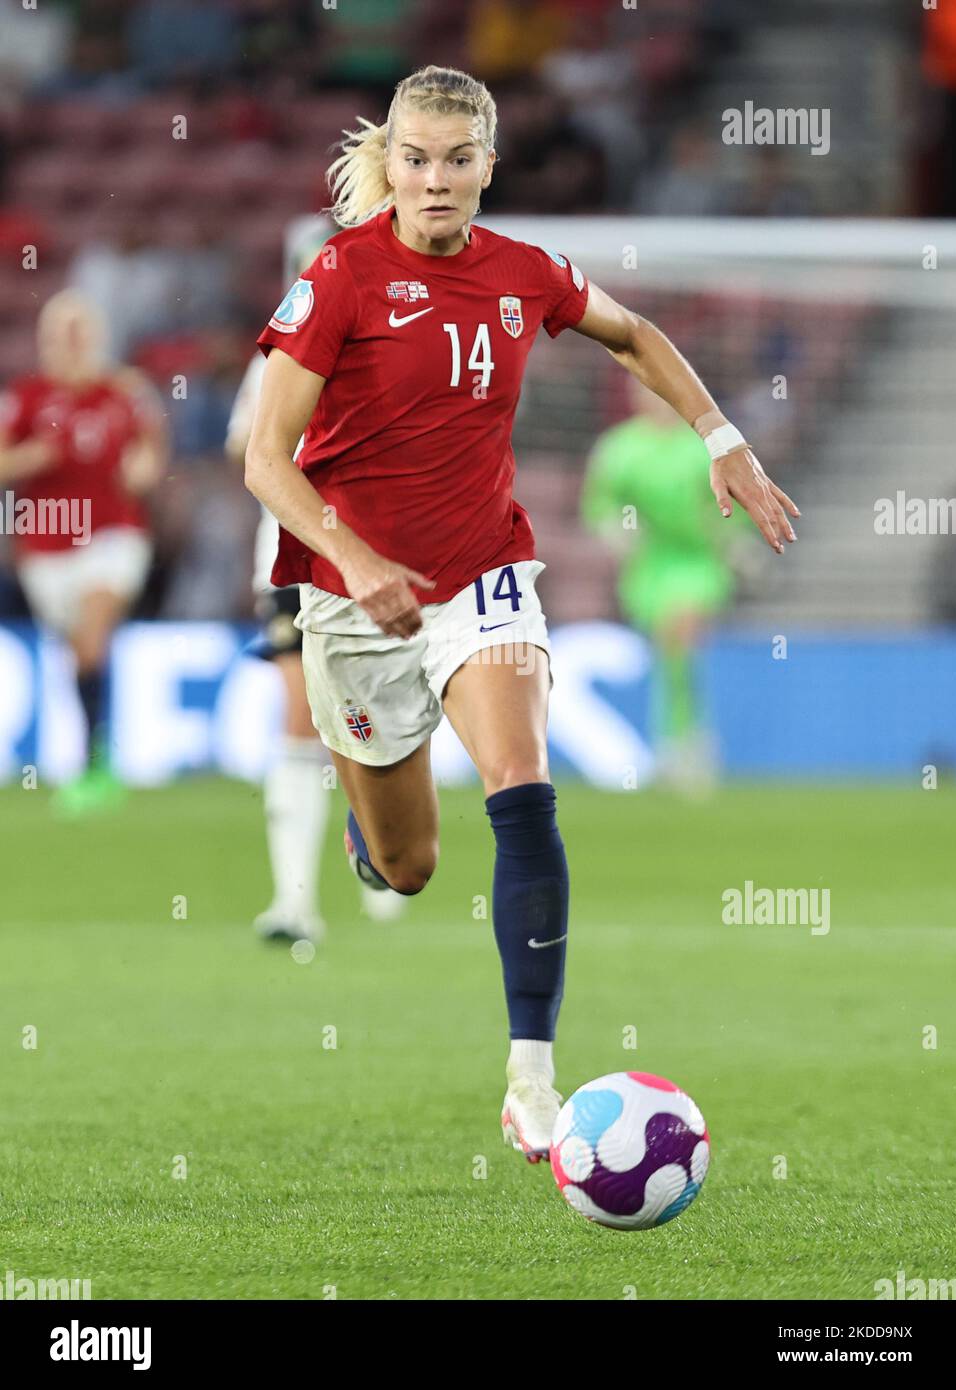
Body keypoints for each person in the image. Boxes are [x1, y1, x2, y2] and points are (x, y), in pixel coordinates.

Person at [244, 65, 799, 1163]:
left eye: (458, 159)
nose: (435, 180)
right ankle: (373, 829)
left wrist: (720, 439)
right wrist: (354, 562)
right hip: (354, 599)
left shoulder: (523, 274)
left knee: (525, 790)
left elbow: (633, 332)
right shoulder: (338, 278)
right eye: (415, 158)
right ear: (391, 164)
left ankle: (529, 1079)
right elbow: (267, 460)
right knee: (407, 867)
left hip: (483, 573)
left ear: (489, 165)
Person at [225, 227, 406, 943]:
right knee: (300, 714)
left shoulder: (396, 348)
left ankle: (387, 853)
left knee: (367, 718)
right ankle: (294, 903)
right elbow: (248, 444)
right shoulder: (284, 347)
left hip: (378, 558)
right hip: (292, 558)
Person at [0, 290, 167, 814]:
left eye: (81, 332)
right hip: (46, 545)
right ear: (46, 340)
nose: (72, 344)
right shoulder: (26, 397)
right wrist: (34, 457)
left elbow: (152, 449)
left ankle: (96, 764)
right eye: (62, 333)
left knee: (93, 639)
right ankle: (95, 753)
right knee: (79, 654)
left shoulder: (124, 391)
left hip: (114, 534)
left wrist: (144, 467)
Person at [582, 379, 753, 794]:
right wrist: (617, 531)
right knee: (672, 653)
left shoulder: (701, 448)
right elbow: (599, 502)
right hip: (650, 566)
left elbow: (731, 502)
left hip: (697, 562)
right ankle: (681, 743)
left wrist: (737, 542)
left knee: (681, 630)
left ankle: (685, 749)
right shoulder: (619, 448)